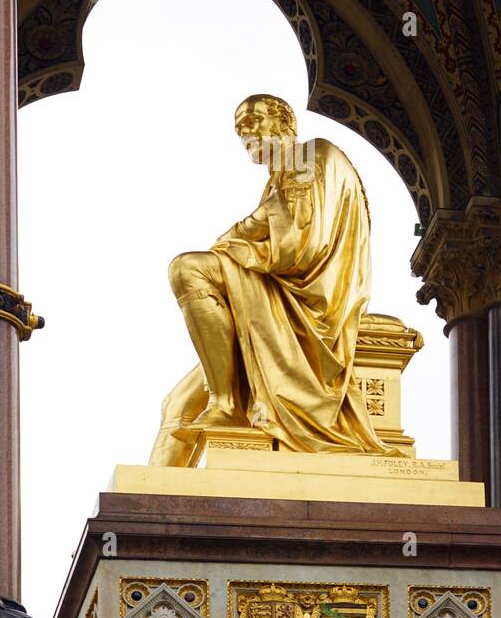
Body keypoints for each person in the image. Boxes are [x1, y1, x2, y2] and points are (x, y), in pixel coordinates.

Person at [149, 93, 391, 465]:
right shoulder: (285, 174)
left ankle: (226, 403)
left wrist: (234, 239)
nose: (245, 131)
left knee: (189, 269)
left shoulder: (309, 156)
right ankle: (153, 515)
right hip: (274, 300)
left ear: (284, 121)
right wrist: (240, 240)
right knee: (176, 405)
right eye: (239, 127)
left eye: (253, 120)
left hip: (305, 306)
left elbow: (299, 243)